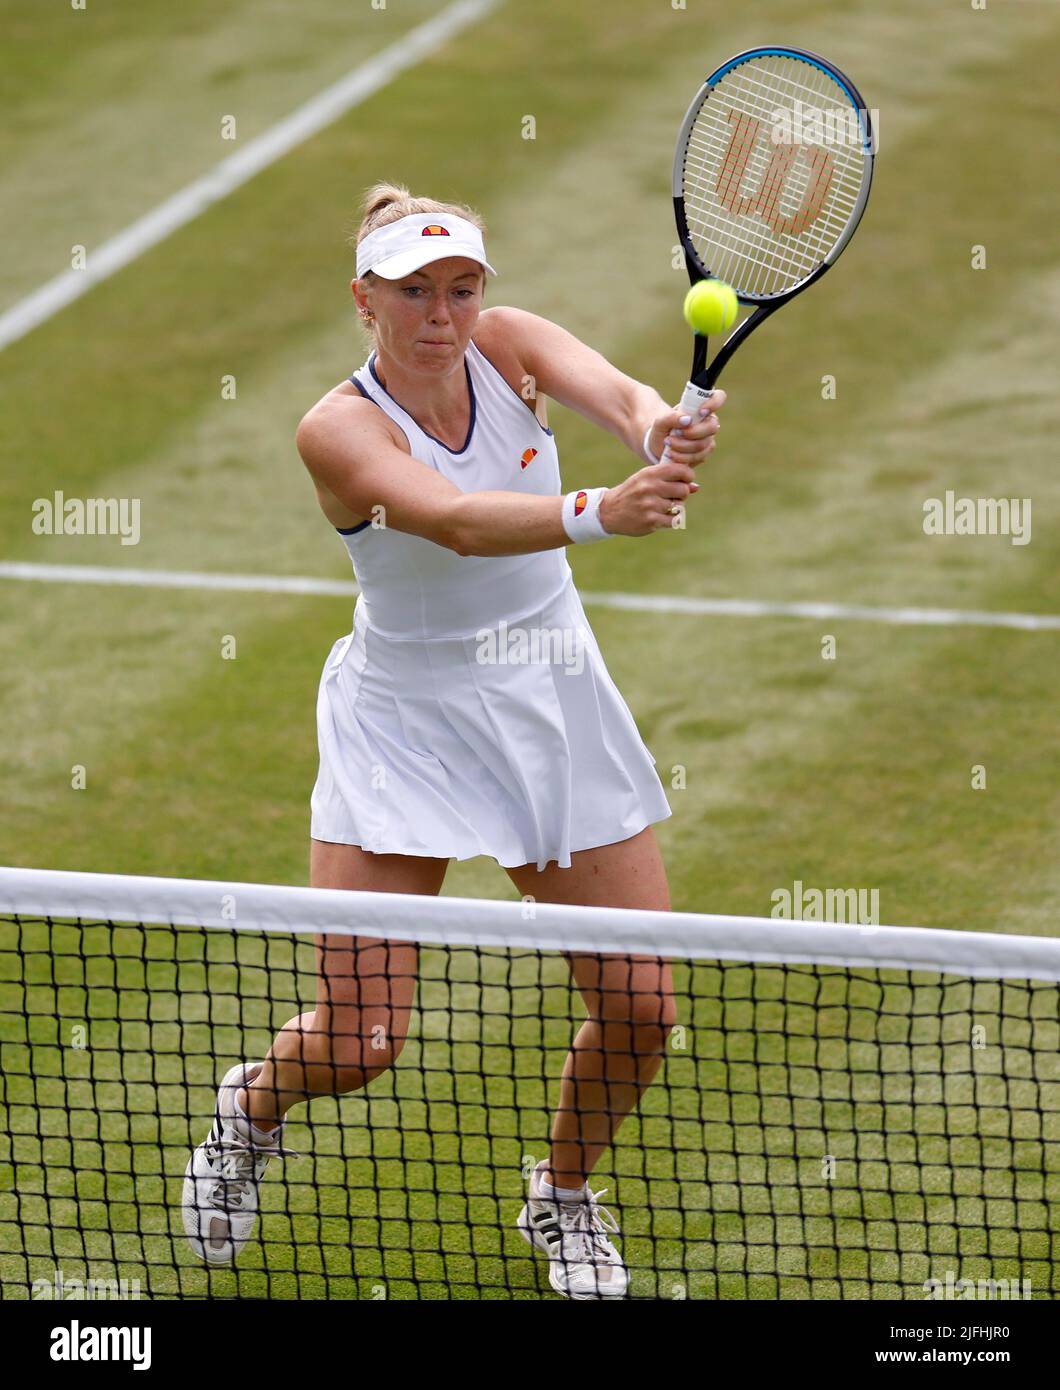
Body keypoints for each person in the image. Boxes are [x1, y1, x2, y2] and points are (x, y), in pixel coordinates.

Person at [183, 183, 725, 1300]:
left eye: (461, 288)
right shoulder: (337, 430)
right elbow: (454, 521)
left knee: (641, 1008)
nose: (442, 315)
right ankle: (251, 1110)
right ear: (364, 300)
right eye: (414, 291)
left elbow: (620, 394)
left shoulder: (510, 346)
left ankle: (561, 1195)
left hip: (551, 702)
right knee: (362, 1042)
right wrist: (601, 511)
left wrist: (654, 429)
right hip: (403, 725)